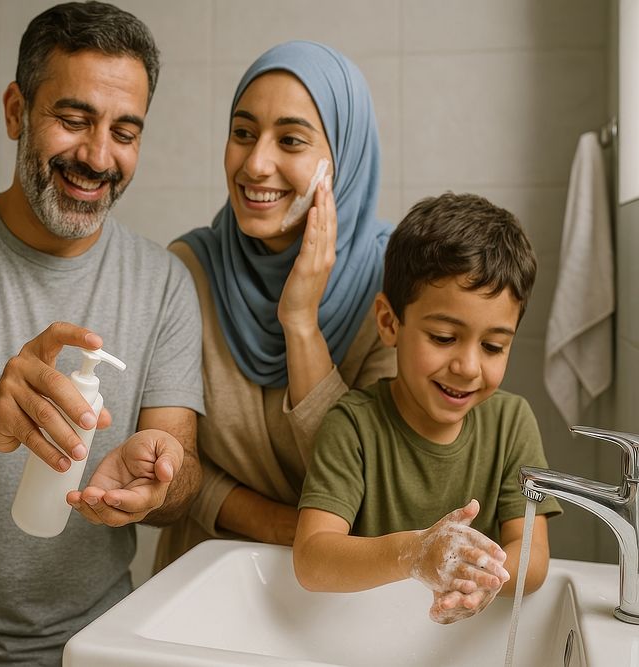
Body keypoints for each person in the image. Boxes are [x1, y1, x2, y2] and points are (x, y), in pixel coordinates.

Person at [0, 2, 203, 664]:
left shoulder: (165, 282)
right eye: (74, 119)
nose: (97, 156)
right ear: (16, 111)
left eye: (125, 131)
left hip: (102, 639)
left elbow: (185, 473)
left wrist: (158, 480)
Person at [155, 40, 395, 569]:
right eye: (243, 133)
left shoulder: (396, 285)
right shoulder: (188, 271)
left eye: (290, 140)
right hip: (203, 581)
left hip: (343, 593)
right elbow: (169, 463)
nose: (256, 163)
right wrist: (289, 529)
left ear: (344, 159)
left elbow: (376, 484)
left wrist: (301, 324)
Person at [293, 193, 562, 624]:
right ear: (389, 323)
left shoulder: (512, 423)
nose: (468, 367)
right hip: (364, 633)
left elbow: (532, 555)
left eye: (493, 346)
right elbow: (311, 559)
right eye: (442, 337)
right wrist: (415, 554)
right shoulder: (354, 425)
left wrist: (475, 582)